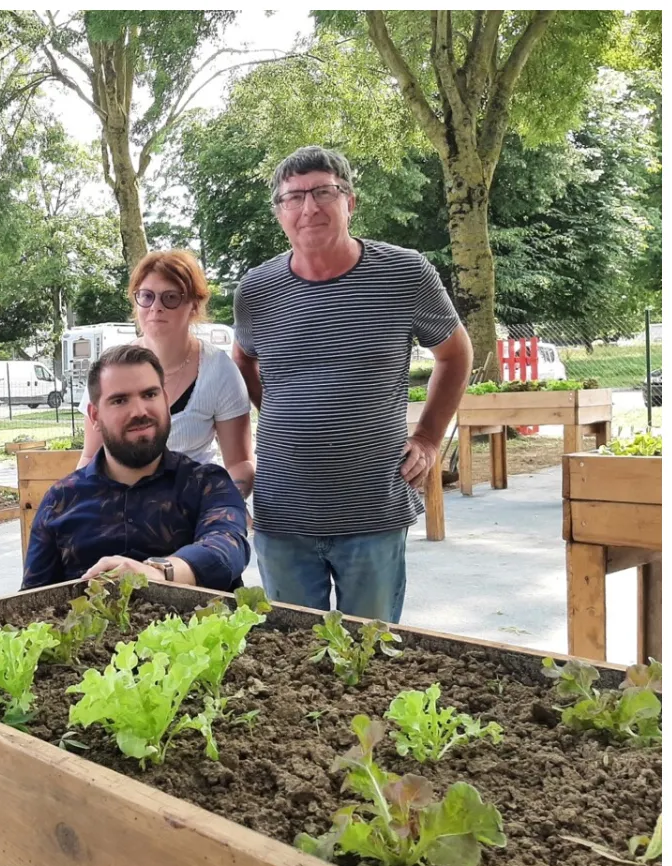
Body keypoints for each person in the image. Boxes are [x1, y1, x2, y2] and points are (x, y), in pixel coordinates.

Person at [232, 145, 472, 624]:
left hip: (373, 507)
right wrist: (284, 415)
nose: (309, 208)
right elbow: (244, 362)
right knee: (294, 659)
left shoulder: (405, 274)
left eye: (324, 192)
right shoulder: (256, 291)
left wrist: (426, 438)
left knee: (371, 655)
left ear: (350, 202)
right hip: (284, 511)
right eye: (293, 198)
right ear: (279, 212)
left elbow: (455, 353)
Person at [23, 344, 250, 592]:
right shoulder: (60, 501)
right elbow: (31, 602)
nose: (139, 411)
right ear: (95, 416)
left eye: (150, 395)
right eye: (120, 400)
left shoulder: (207, 483)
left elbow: (227, 547)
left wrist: (158, 573)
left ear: (165, 400)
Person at [76, 250, 255, 497]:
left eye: (170, 297)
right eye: (146, 296)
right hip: (118, 511)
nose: (156, 307)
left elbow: (240, 464)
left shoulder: (220, 371)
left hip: (192, 511)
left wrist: (223, 509)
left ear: (194, 304)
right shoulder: (110, 368)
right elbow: (90, 456)